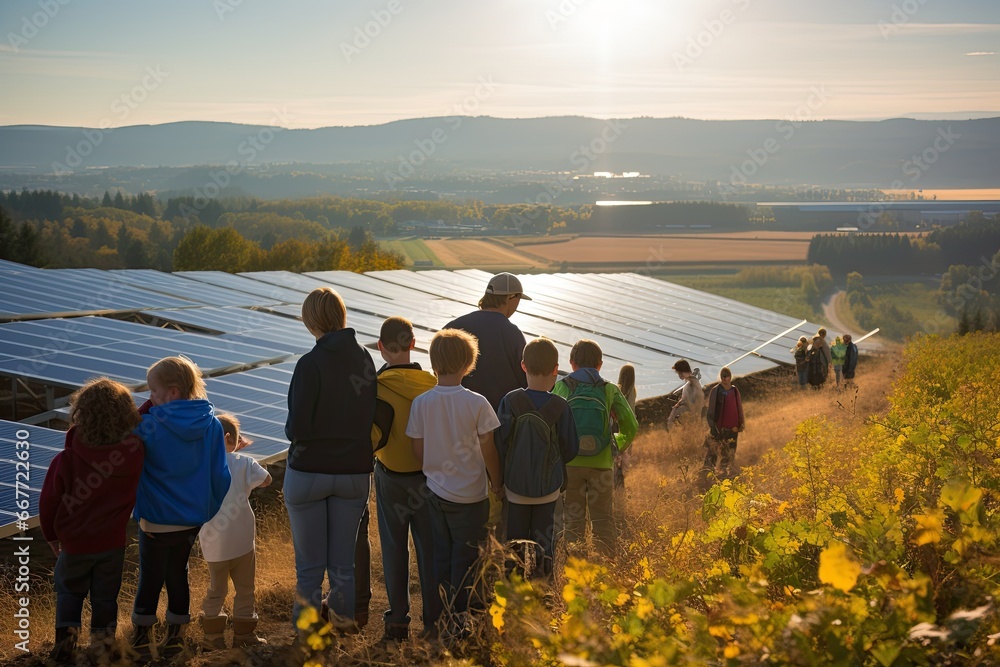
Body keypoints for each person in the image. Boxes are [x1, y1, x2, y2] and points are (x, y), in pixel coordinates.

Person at [284, 287, 376, 632]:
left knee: (309, 569)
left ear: (311, 320)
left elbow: (298, 428)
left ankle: (307, 635)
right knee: (343, 567)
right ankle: (343, 629)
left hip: (308, 473)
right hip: (353, 472)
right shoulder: (366, 359)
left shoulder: (309, 364)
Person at [132, 357, 231, 661]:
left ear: (172, 392)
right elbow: (220, 476)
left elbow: (130, 456)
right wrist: (204, 509)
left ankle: (141, 641)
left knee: (150, 577)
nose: (150, 397)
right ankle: (176, 638)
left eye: (153, 391)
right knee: (178, 574)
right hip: (190, 521)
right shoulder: (212, 424)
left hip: (155, 521)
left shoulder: (148, 426)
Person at [39, 378, 144, 664]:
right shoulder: (134, 454)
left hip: (74, 543)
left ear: (80, 414)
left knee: (69, 593)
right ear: (126, 415)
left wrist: (51, 535)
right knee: (105, 598)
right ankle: (103, 648)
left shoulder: (67, 459)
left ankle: (65, 648)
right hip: (112, 542)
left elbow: (48, 503)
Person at [407, 329, 502, 635]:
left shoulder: (421, 403)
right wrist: (497, 481)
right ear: (468, 364)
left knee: (439, 558)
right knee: (467, 559)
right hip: (472, 498)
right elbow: (488, 448)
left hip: (434, 494)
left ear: (433, 363)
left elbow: (418, 450)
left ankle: (436, 621)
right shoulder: (477, 403)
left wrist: (433, 469)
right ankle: (459, 622)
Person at [370, 316, 439, 643]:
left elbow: (371, 436)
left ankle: (397, 623)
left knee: (394, 549)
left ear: (382, 348)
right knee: (429, 550)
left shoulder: (376, 385)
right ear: (413, 344)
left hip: (389, 477)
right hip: (428, 479)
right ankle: (433, 623)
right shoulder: (433, 384)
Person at [444, 272, 530, 527]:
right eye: (518, 300)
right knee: (496, 501)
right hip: (500, 435)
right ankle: (493, 557)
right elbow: (524, 385)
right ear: (510, 298)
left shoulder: (453, 327)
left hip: (455, 431)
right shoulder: (513, 333)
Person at [495, 337, 579, 580]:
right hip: (548, 489)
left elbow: (500, 442)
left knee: (514, 544)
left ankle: (513, 590)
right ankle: (543, 592)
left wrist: (499, 480)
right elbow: (571, 449)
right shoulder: (561, 406)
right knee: (544, 544)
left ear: (523, 366)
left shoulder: (510, 401)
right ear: (556, 369)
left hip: (515, 487)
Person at [553, 340, 637, 556]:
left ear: (572, 364)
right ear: (600, 364)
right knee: (602, 519)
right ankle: (608, 568)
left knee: (573, 521)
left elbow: (551, 423)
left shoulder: (562, 387)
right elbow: (631, 425)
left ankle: (574, 569)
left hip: (571, 464)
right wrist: (615, 445)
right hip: (602, 466)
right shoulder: (609, 389)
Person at [198, 413, 272, 651]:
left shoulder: (202, 466)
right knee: (245, 589)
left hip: (213, 544)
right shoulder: (244, 462)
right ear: (231, 438)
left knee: (216, 589)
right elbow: (267, 480)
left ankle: (212, 638)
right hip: (242, 543)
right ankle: (244, 636)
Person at [704, 367, 745, 480]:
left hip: (733, 428)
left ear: (730, 377)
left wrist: (741, 422)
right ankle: (709, 473)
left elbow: (739, 407)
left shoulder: (734, 390)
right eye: (722, 376)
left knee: (730, 451)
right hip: (720, 428)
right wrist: (712, 425)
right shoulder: (716, 391)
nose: (724, 378)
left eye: (726, 376)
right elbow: (711, 410)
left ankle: (726, 473)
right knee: (715, 451)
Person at [613, 364, 637, 489]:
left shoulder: (617, 390)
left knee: (615, 459)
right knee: (623, 461)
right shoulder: (633, 391)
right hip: (628, 429)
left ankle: (615, 486)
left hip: (617, 428)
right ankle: (620, 488)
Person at [666, 359, 705, 428]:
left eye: (678, 373)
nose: (678, 375)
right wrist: (679, 403)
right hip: (691, 412)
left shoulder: (692, 381)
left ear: (681, 372)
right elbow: (686, 397)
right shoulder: (689, 381)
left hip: (691, 412)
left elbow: (699, 396)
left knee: (672, 419)